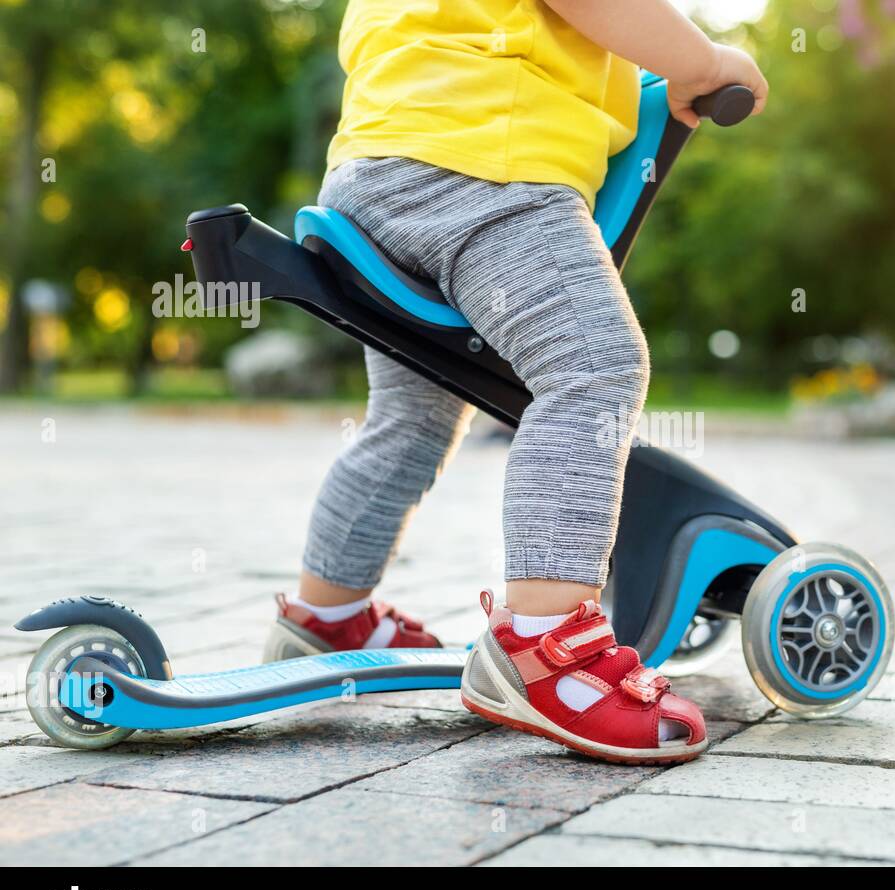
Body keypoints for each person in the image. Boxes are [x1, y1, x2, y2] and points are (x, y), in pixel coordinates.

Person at [269, 0, 768, 763]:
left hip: (376, 177)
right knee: (592, 366)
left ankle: (325, 615)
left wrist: (656, 91)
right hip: (484, 169)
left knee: (413, 418)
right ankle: (547, 653)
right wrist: (701, 64)